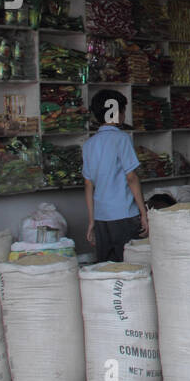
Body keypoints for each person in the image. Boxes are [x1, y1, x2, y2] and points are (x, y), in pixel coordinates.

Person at [83, 90, 149, 262]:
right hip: (124, 215)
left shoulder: (89, 144)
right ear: (116, 113)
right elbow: (131, 178)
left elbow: (88, 185)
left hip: (101, 217)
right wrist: (144, 213)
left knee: (107, 268)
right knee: (130, 266)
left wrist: (91, 221)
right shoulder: (122, 139)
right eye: (123, 111)